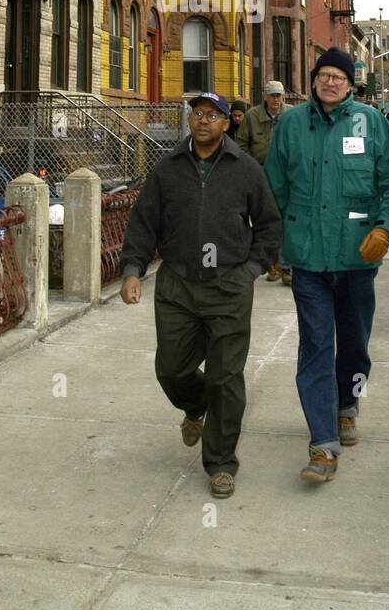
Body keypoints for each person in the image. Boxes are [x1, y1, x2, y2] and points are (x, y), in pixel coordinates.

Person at [119, 91, 281, 500]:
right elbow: (143, 223)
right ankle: (194, 407)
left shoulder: (245, 169)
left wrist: (251, 269)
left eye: (213, 115)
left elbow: (268, 223)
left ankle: (222, 462)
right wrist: (133, 271)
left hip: (228, 285)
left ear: (228, 124)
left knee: (226, 378)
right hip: (177, 284)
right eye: (197, 114)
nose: (203, 120)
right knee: (171, 369)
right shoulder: (167, 168)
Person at [264, 48, 389, 484]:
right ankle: (322, 443)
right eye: (323, 75)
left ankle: (350, 404)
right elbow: (275, 186)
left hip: (356, 259)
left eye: (338, 77)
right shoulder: (290, 124)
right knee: (316, 347)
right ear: (313, 81)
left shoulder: (372, 123)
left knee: (355, 343)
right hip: (308, 259)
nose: (330, 82)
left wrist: (385, 228)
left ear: (350, 84)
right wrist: (275, 240)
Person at [236, 80, 292, 285]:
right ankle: (270, 264)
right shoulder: (252, 116)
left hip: (287, 176)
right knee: (265, 220)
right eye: (273, 95)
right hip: (260, 175)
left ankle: (286, 267)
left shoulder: (292, 114)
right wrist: (253, 169)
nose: (277, 99)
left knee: (286, 219)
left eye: (279, 95)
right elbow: (241, 144)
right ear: (265, 97)